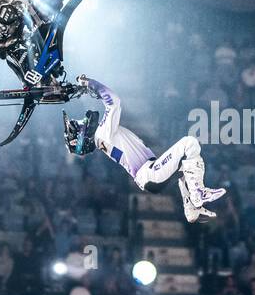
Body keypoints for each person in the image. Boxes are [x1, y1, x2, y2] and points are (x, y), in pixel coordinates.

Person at [69, 75, 225, 222]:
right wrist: (91, 83)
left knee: (185, 166)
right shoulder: (102, 134)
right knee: (190, 143)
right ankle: (197, 193)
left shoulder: (102, 136)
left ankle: (192, 210)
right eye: (79, 124)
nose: (83, 121)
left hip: (149, 173)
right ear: (83, 136)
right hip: (149, 174)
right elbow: (114, 101)